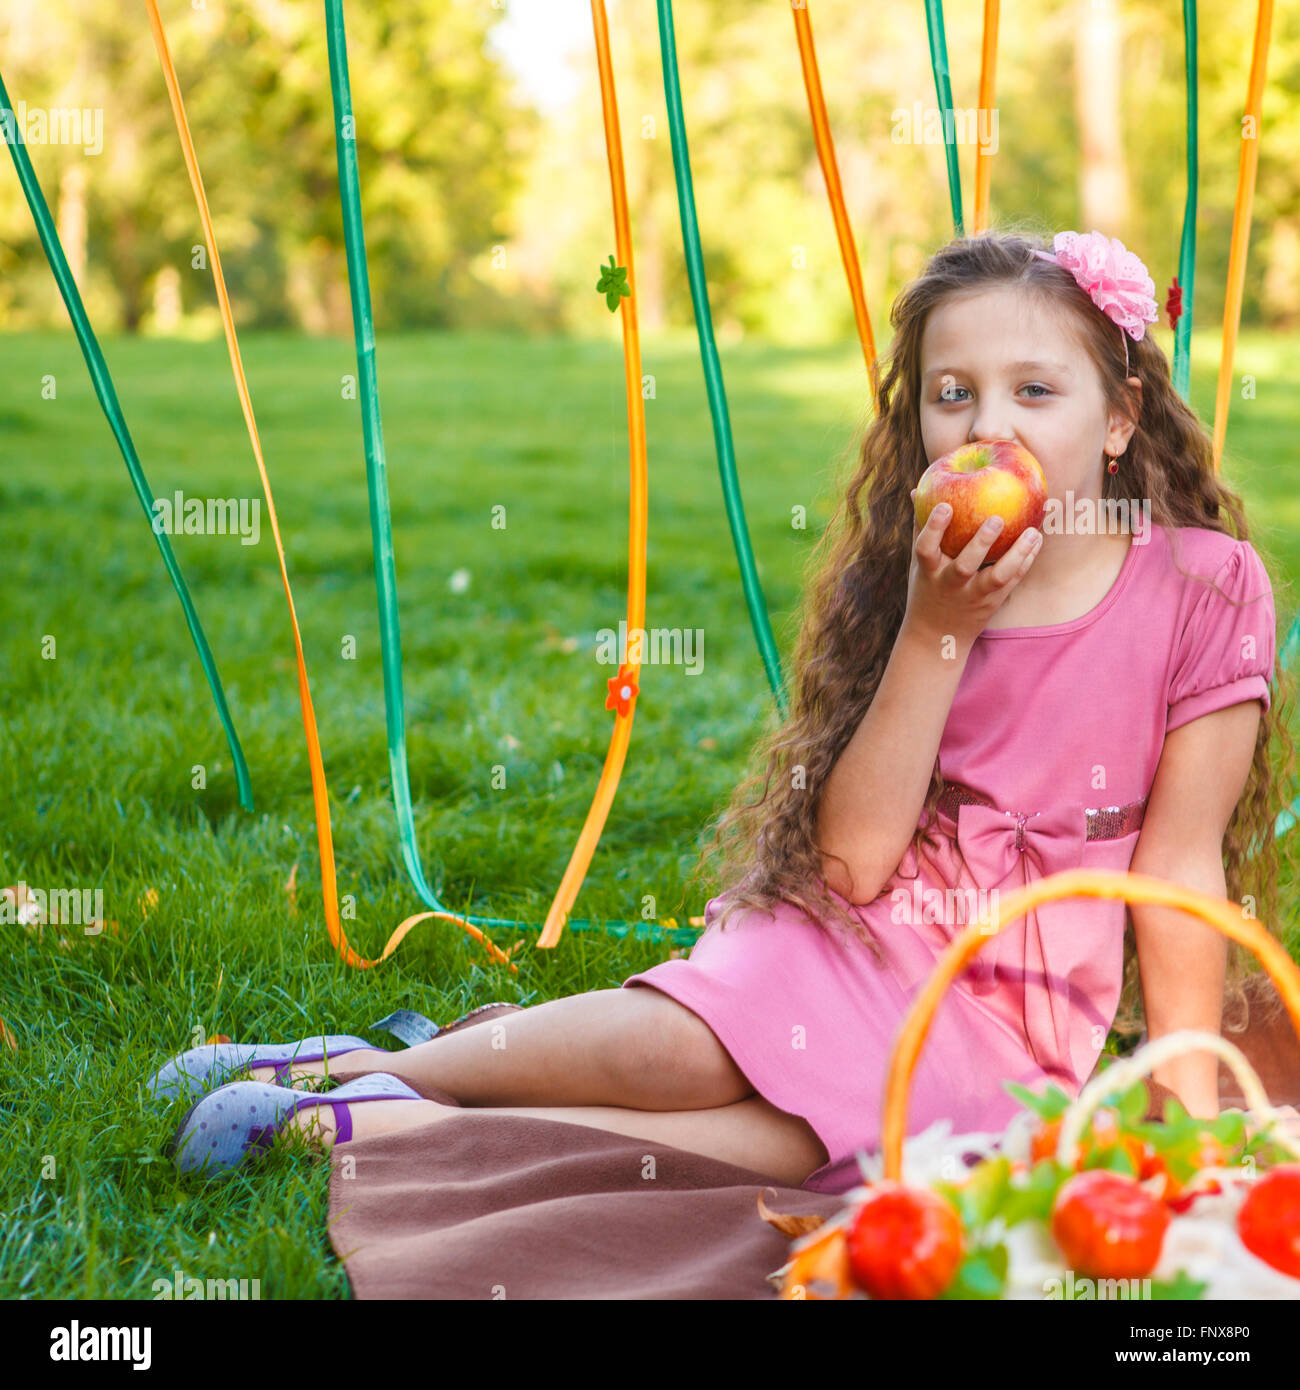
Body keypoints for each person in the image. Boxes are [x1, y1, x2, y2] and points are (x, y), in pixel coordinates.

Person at [156, 228, 1292, 1192]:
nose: (987, 427)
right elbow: (848, 864)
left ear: (1117, 416)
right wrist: (937, 626)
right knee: (694, 1051)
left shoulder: (1206, 587)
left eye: (1035, 390)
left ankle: (372, 1120)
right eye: (954, 395)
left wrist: (1188, 1111)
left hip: (1012, 1016)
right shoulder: (920, 575)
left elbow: (1179, 872)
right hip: (857, 930)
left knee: (809, 1146)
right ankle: (375, 1068)